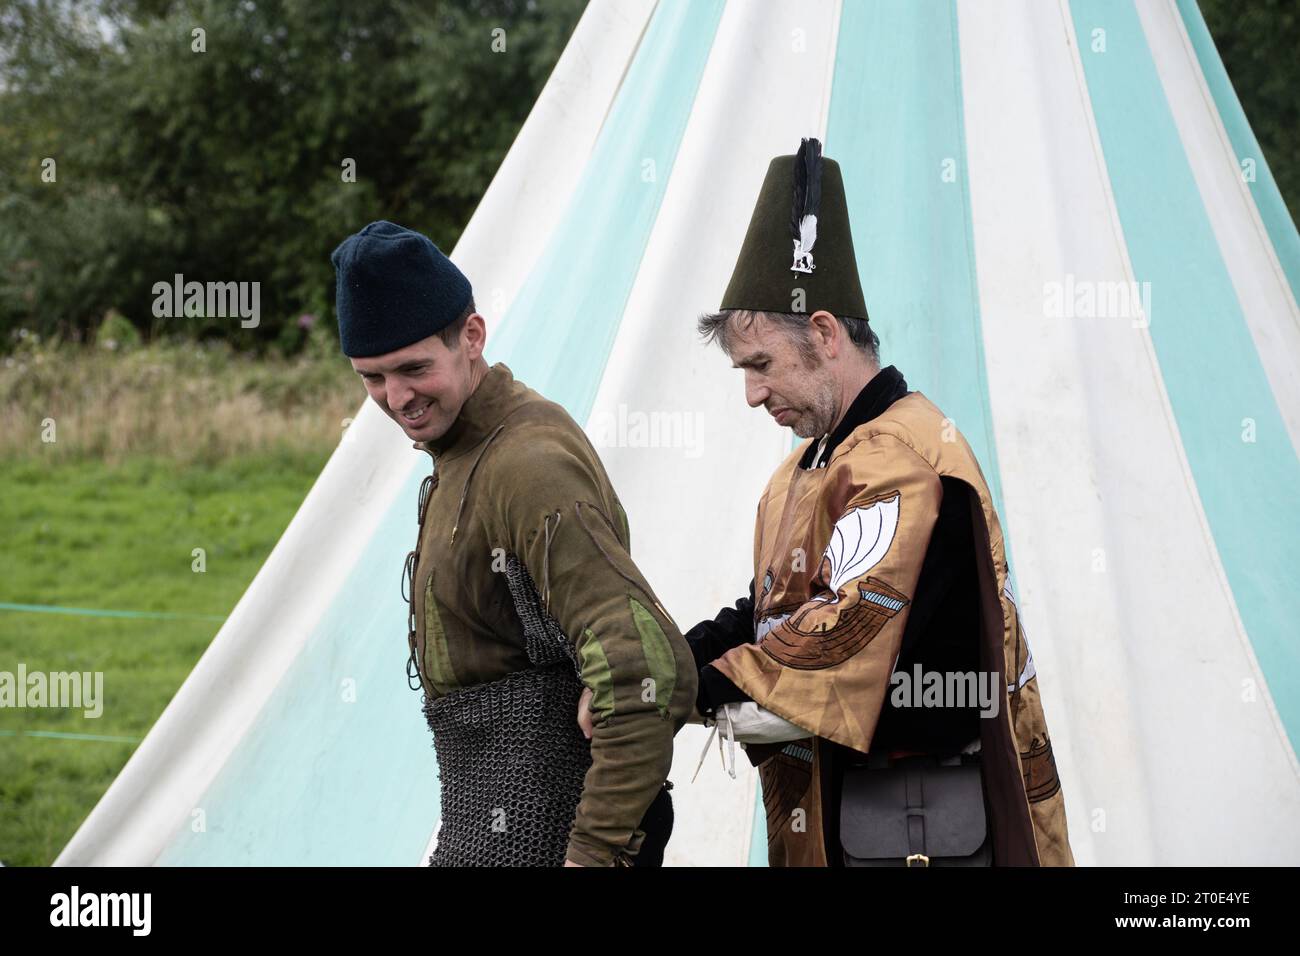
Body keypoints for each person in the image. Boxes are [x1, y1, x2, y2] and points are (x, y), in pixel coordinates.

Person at [685, 140, 1075, 867]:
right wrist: (677, 659)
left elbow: (848, 633)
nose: (752, 393)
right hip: (838, 815)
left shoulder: (913, 456)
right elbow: (770, 611)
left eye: (762, 365)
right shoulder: (807, 466)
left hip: (911, 824)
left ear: (825, 334)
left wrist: (697, 685)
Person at [330, 220, 696, 867]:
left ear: (472, 337)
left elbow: (645, 667)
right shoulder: (463, 450)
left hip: (553, 836)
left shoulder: (526, 463)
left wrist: (591, 856)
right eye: (373, 377)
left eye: (414, 368)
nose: (396, 398)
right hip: (489, 832)